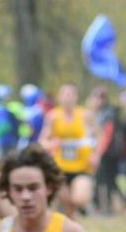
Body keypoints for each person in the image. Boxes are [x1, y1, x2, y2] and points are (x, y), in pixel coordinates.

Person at [39, 84, 97, 215]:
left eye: (71, 95)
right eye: (65, 95)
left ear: (76, 97)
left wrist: (96, 154)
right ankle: (70, 226)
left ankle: (73, 218)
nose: (68, 98)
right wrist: (52, 144)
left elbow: (100, 135)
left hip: (82, 166)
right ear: (59, 98)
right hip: (60, 167)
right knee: (66, 203)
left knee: (79, 199)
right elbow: (42, 141)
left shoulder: (85, 115)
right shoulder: (53, 116)